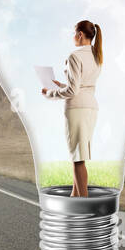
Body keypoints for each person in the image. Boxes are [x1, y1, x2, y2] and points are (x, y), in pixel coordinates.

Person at [41, 19, 103, 196]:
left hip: (77, 109)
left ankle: (83, 203)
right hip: (91, 107)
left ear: (80, 34)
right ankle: (75, 198)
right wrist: (61, 84)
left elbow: (73, 90)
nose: (73, 37)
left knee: (78, 159)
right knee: (79, 156)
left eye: (74, 33)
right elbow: (80, 85)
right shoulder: (97, 56)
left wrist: (50, 93)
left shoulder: (74, 56)